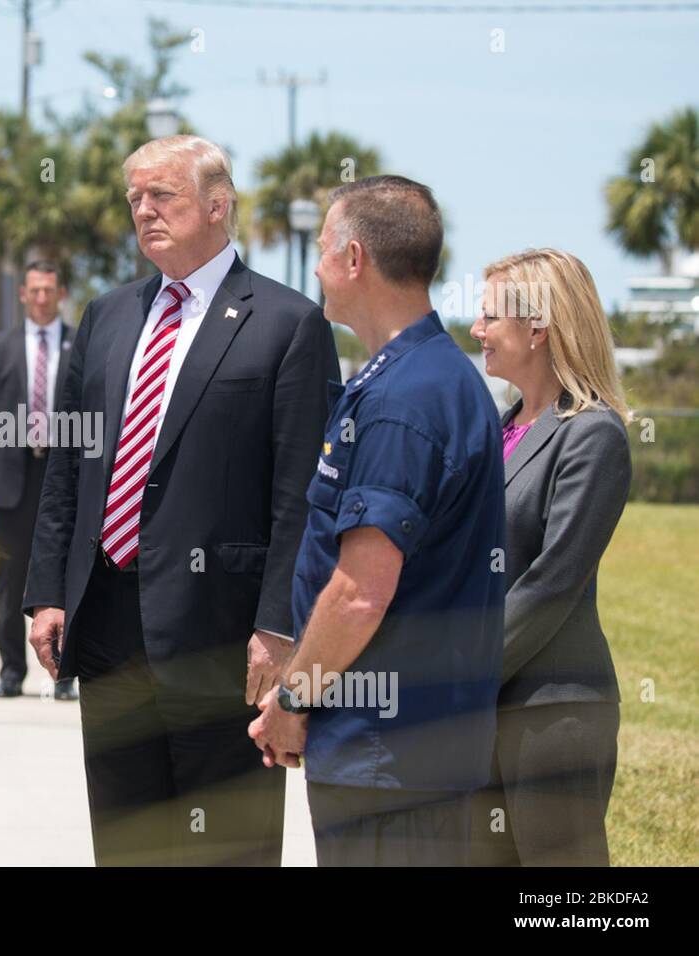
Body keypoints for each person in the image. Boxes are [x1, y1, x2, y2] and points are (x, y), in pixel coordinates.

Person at [23, 135, 338, 866]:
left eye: (161, 195)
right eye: (134, 197)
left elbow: (302, 495)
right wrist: (47, 591)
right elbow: (69, 466)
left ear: (218, 205)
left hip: (223, 639)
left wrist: (280, 626)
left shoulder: (288, 324)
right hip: (106, 625)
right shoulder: (106, 317)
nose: (143, 210)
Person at [250, 175, 506, 866]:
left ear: (355, 258)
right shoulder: (423, 375)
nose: (315, 268)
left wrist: (292, 700)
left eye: (324, 249)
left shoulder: (406, 399)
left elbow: (362, 590)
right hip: (403, 751)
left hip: (389, 758)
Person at [468, 248, 631, 866]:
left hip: (553, 711)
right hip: (489, 708)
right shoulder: (503, 427)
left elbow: (552, 582)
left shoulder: (593, 434)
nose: (477, 331)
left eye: (489, 318)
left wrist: (459, 671)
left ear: (537, 326)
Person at [0, 260, 77, 700]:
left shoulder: (78, 343)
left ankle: (64, 672)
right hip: (11, 478)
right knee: (11, 576)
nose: (43, 298)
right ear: (23, 294)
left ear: (61, 293)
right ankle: (12, 670)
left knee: (64, 576)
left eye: (50, 290)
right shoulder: (0, 346)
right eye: (35, 290)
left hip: (61, 475)